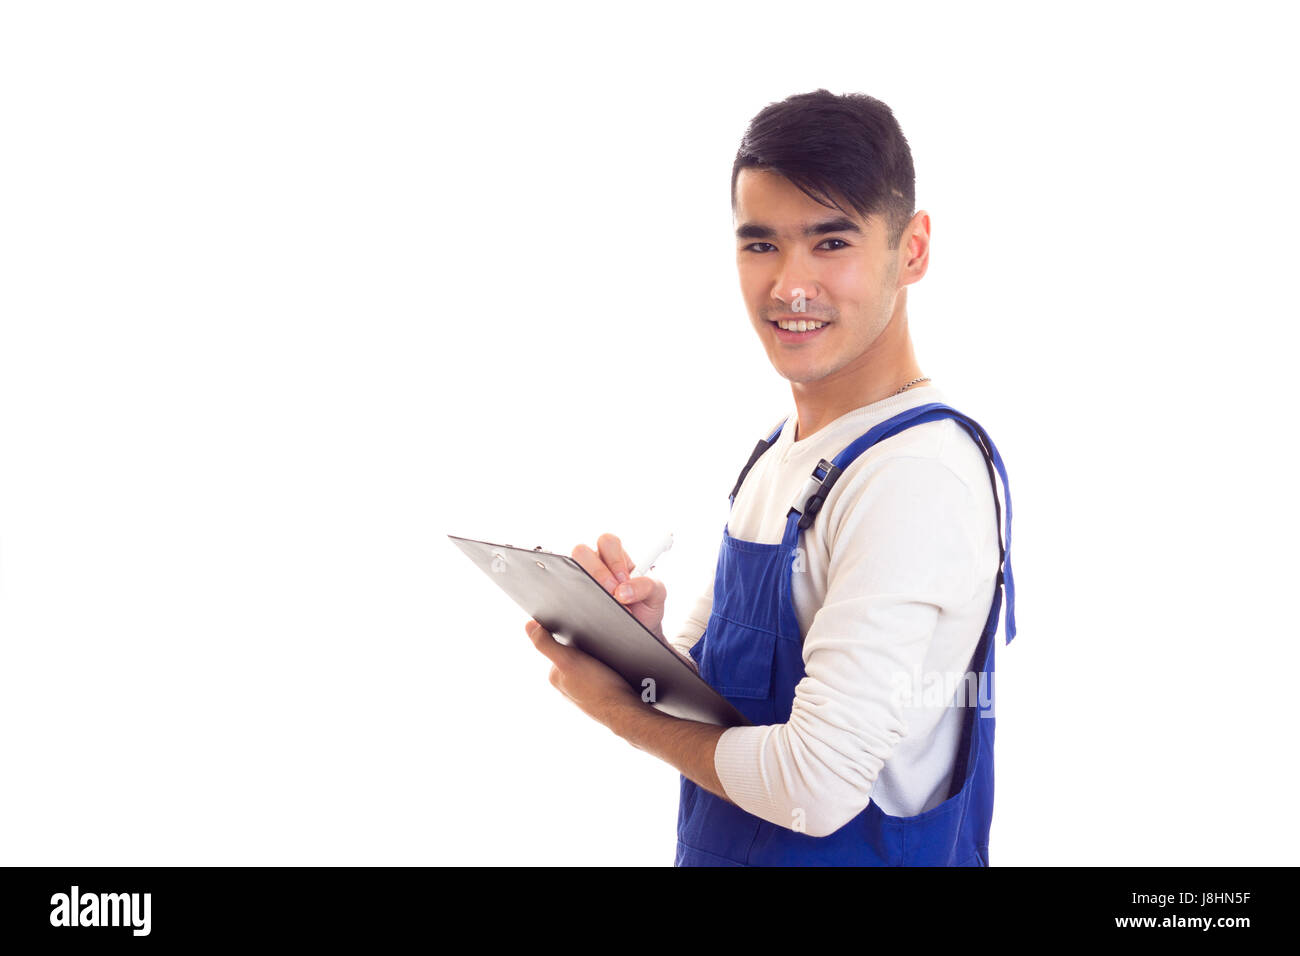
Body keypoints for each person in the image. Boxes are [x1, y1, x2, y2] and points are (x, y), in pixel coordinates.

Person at [524, 89, 1017, 866]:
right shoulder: (780, 449)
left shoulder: (916, 476)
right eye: (760, 246)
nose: (789, 285)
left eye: (831, 244)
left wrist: (619, 711)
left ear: (912, 249)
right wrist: (640, 649)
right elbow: (707, 704)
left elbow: (816, 786)